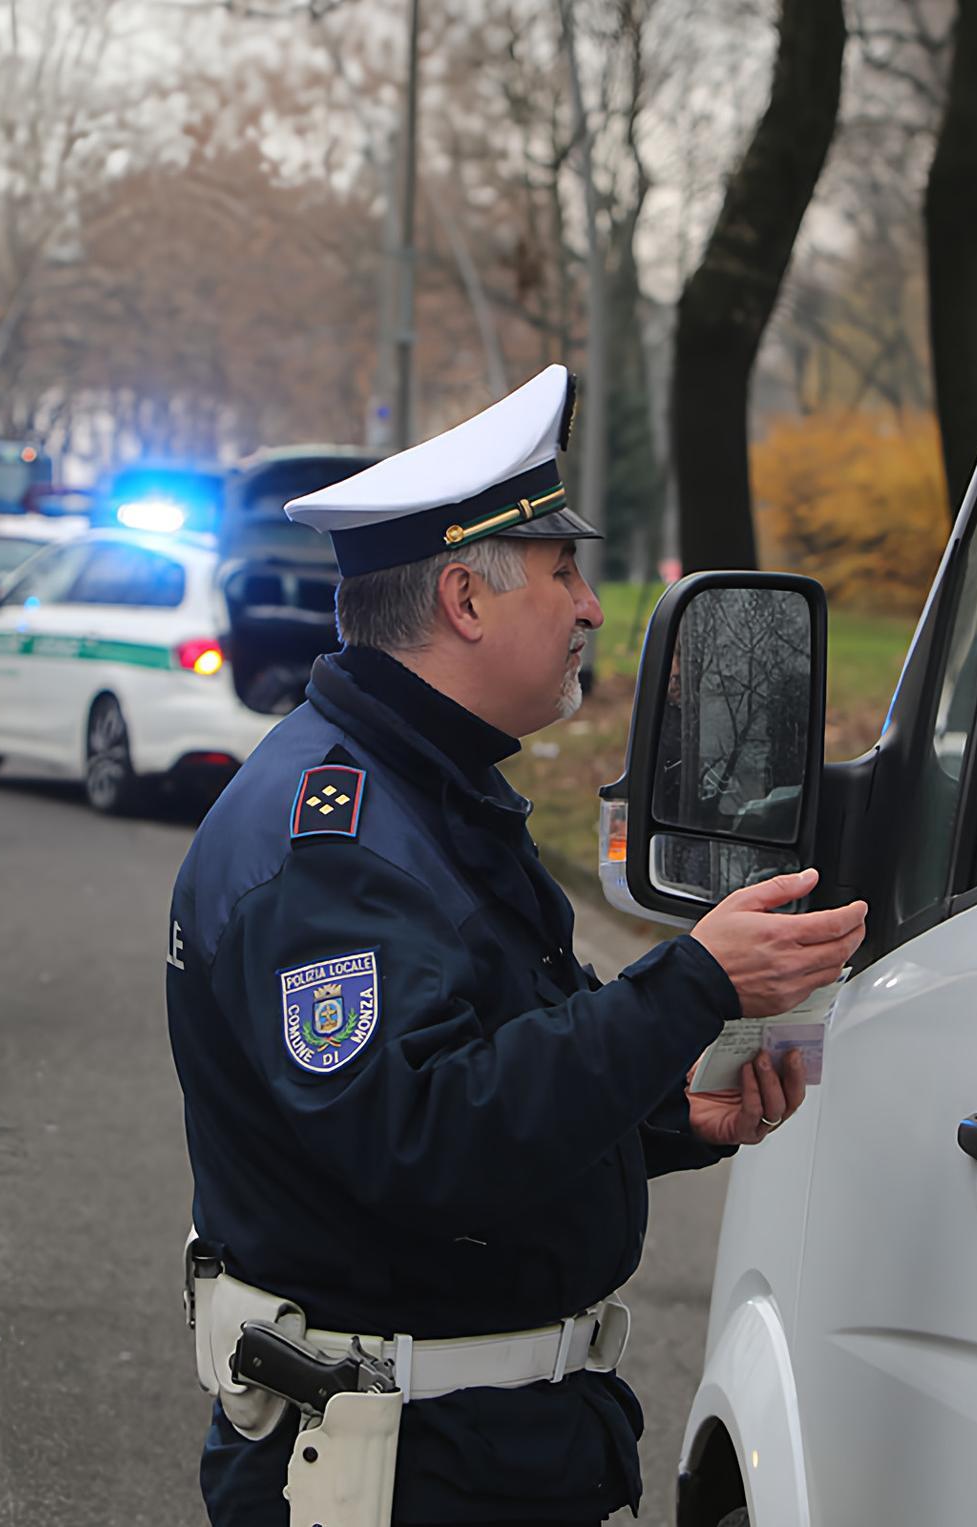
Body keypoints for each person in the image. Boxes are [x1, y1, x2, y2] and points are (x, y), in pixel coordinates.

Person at [166, 365, 866, 1527]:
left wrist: (660, 1116)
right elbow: (422, 1141)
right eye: (563, 572)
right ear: (464, 599)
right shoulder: (334, 845)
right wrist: (694, 983)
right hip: (400, 1469)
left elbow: (498, 1056)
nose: (592, 606)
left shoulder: (420, 790)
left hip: (466, 1450)